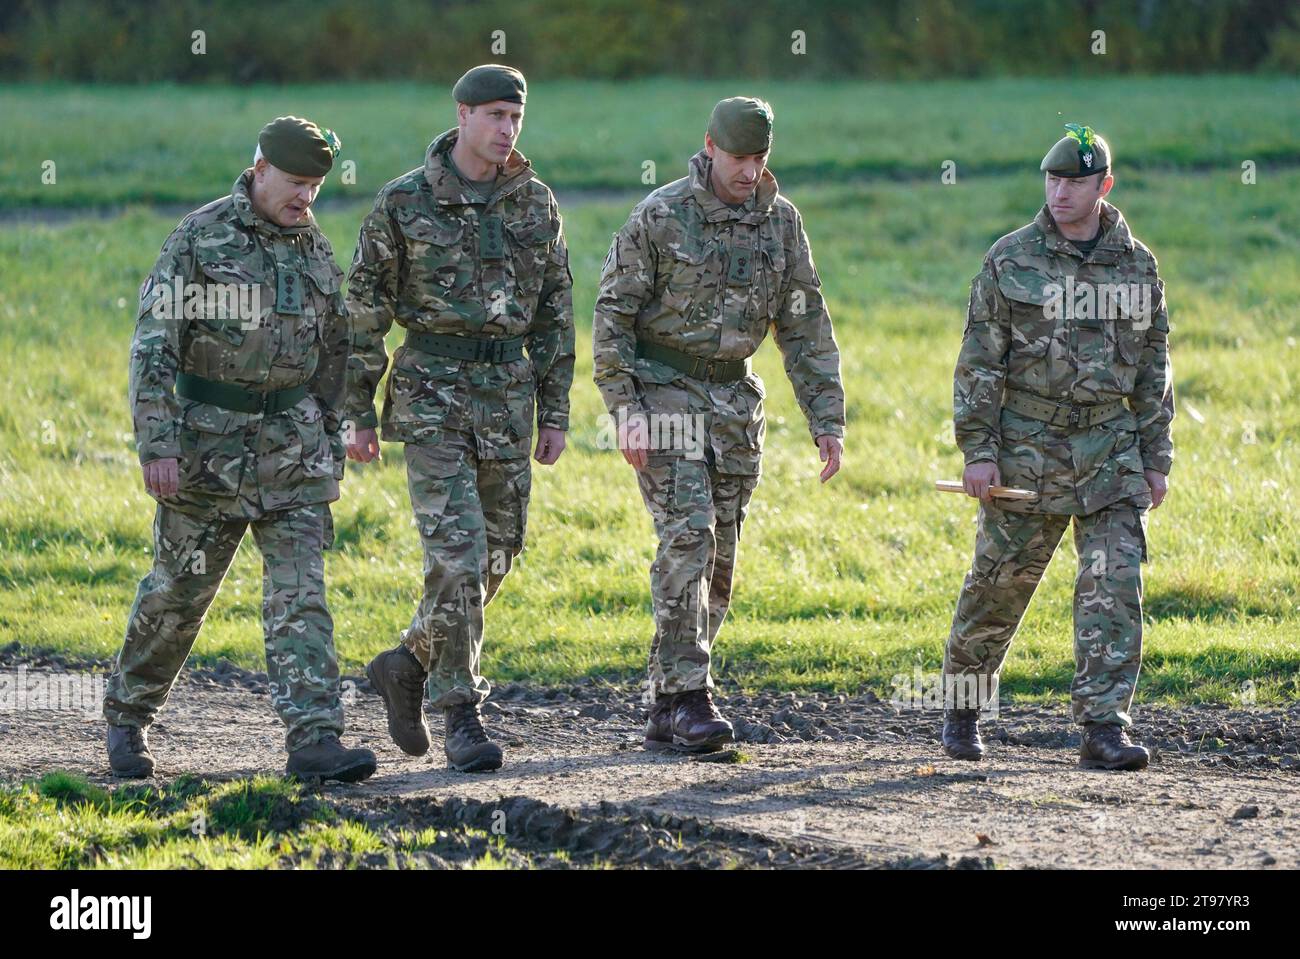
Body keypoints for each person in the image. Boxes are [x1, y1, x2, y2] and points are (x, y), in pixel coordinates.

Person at [105, 116, 376, 783]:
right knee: (177, 594)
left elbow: (335, 348)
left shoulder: (313, 248)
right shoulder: (199, 239)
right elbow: (153, 347)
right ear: (259, 170)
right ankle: (127, 714)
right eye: (295, 183)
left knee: (300, 595)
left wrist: (330, 433)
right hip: (206, 451)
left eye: (315, 186)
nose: (305, 198)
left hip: (292, 454)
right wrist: (157, 444)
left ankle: (315, 737)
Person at [593, 96, 845, 753]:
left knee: (721, 560)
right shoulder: (661, 216)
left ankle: (664, 700)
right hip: (665, 394)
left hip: (735, 406)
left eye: (759, 158)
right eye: (737, 157)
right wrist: (625, 410)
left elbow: (804, 325)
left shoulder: (781, 224)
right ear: (709, 147)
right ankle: (693, 695)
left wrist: (827, 418)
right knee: (691, 535)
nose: (747, 170)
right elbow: (613, 315)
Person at [348, 65, 574, 772]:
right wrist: (355, 408)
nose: (507, 129)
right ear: (463, 115)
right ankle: (462, 714)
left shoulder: (535, 203)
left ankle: (407, 661)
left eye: (517, 117)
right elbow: (363, 313)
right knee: (459, 556)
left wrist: (556, 407)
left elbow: (556, 311)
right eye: (496, 115)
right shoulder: (404, 203)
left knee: (500, 550)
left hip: (508, 395)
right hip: (433, 396)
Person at [943, 124, 1174, 771]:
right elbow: (978, 363)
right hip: (1027, 446)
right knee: (999, 586)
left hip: (1110, 448)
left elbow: (1155, 367)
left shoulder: (1136, 264)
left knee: (1114, 584)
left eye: (1074, 181)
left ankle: (1105, 726)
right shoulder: (1010, 259)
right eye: (1052, 180)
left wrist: (1157, 458)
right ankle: (962, 707)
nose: (1060, 191)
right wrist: (978, 450)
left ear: (1105, 185)